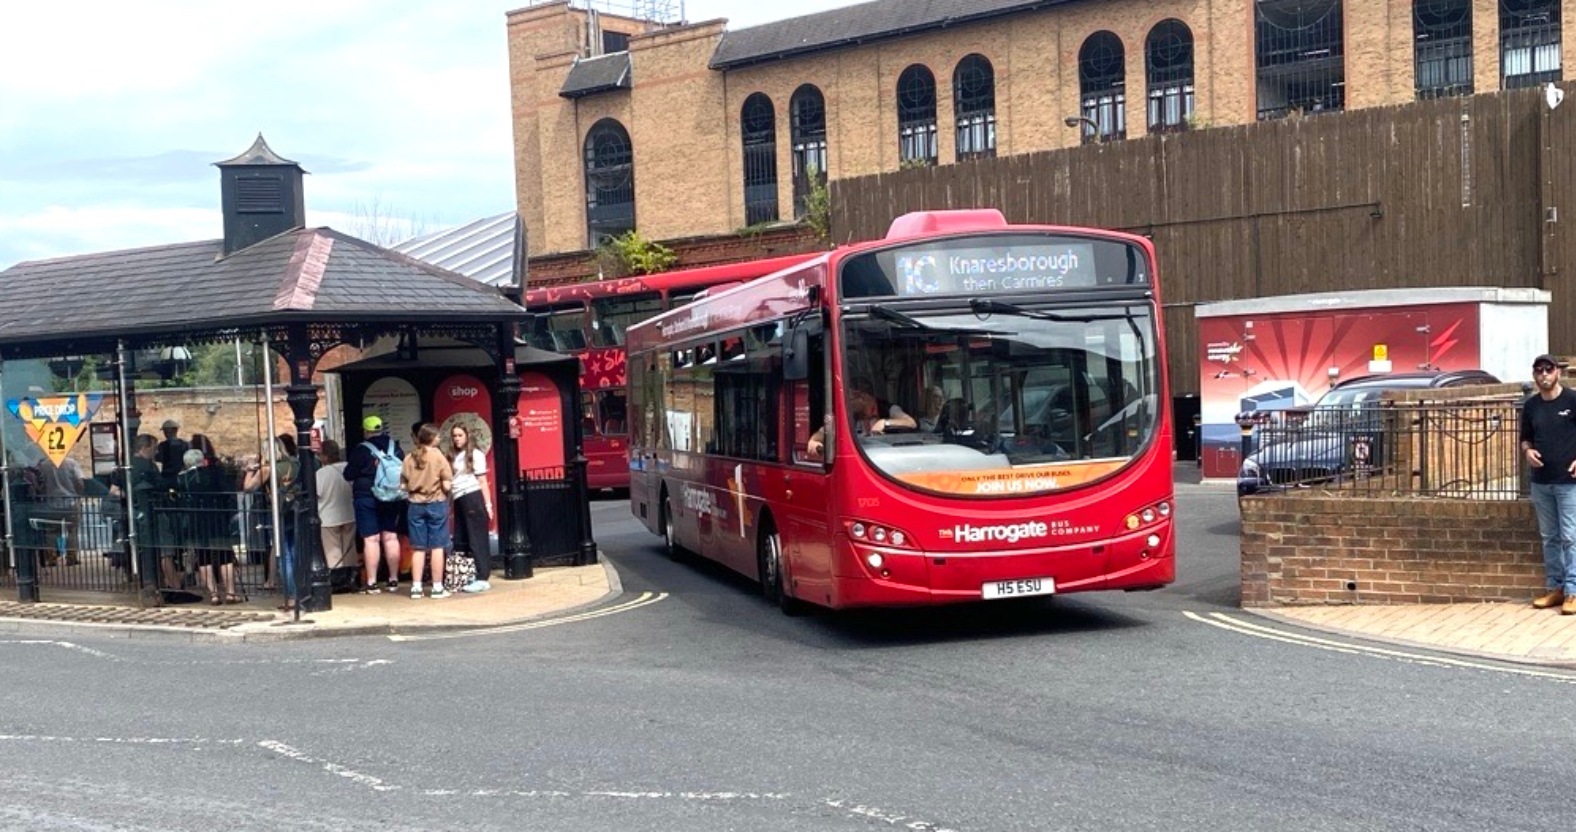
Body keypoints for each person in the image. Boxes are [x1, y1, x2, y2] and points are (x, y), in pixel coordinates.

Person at [1520, 353, 1576, 615]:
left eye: (1548, 370)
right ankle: (1555, 588)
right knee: (1549, 538)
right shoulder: (1531, 407)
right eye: (1539, 370)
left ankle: (1573, 591)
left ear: (1558, 373)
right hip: (1541, 483)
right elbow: (1525, 439)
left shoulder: (1572, 400)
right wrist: (1527, 451)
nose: (1544, 374)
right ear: (1534, 375)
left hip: (1569, 482)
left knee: (1570, 537)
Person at [345, 415, 404, 594]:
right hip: (391, 496)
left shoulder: (361, 450)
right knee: (391, 537)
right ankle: (393, 580)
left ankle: (372, 583)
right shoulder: (396, 448)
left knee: (371, 539)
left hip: (366, 497)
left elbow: (348, 474)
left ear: (366, 431)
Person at [246, 437, 301, 611]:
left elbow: (248, 487)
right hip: (296, 510)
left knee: (283, 555)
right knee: (295, 552)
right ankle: (300, 592)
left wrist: (249, 468)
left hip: (278, 512)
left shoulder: (268, 469)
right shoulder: (295, 464)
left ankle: (291, 596)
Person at [401, 423, 453, 599]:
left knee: (418, 548)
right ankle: (437, 587)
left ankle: (416, 587)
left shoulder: (409, 457)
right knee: (437, 546)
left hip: (415, 505)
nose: (439, 438)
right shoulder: (438, 456)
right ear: (431, 438)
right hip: (436, 503)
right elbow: (447, 482)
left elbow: (402, 484)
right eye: (437, 436)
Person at [180, 448, 238, 605]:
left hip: (196, 521)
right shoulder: (215, 473)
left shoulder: (183, 479)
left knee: (203, 557)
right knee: (224, 555)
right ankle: (231, 593)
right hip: (217, 517)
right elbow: (229, 492)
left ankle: (213, 594)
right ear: (202, 460)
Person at [448, 423, 493, 593]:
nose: (457, 439)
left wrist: (488, 505)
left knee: (476, 538)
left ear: (467, 436)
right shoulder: (455, 455)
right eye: (454, 436)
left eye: (460, 435)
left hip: (472, 496)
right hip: (459, 497)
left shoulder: (475, 454)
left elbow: (482, 481)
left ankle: (483, 577)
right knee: (461, 538)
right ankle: (467, 574)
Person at [315, 440, 358, 578]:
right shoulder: (348, 467)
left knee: (332, 551)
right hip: (349, 514)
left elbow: (316, 493)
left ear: (325, 456)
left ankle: (336, 578)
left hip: (328, 517)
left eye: (320, 455)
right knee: (349, 550)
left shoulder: (322, 473)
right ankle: (351, 576)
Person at [155, 419, 189, 490]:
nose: (166, 433)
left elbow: (158, 458)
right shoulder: (184, 445)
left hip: (168, 476)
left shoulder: (162, 445)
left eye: (166, 431)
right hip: (179, 475)